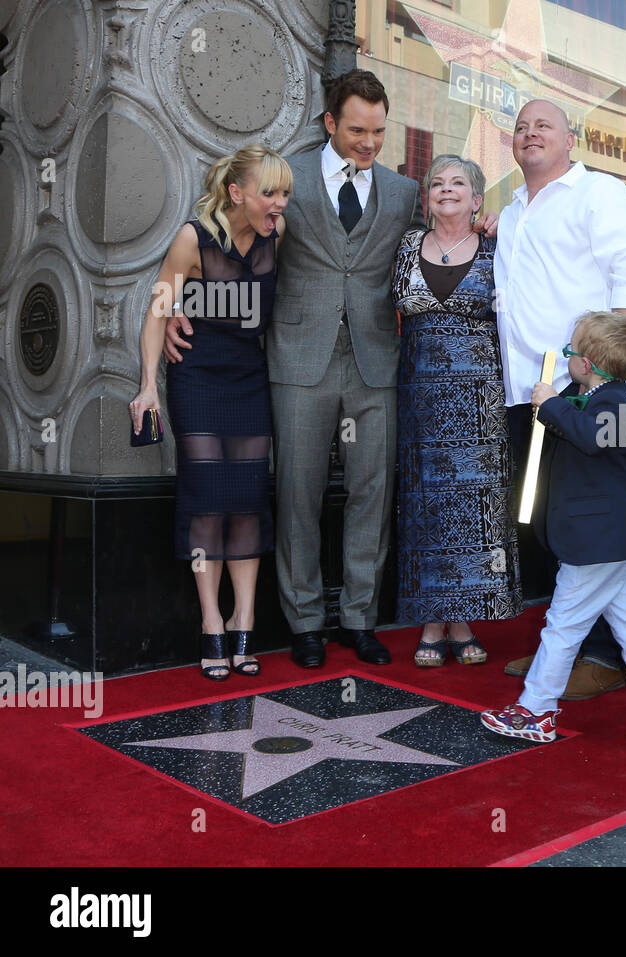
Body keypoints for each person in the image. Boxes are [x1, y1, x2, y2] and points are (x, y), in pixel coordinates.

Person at [167, 71, 424, 668]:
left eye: (379, 132)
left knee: (370, 494)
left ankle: (360, 618)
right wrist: (184, 307)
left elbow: (429, 251)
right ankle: (305, 621)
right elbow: (224, 240)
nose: (369, 143)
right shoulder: (286, 179)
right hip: (295, 362)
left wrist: (484, 228)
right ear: (330, 123)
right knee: (297, 493)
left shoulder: (404, 191)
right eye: (357, 130)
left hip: (374, 363)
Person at [480, 312, 626, 745]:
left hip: (600, 542)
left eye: (571, 353)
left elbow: (590, 435)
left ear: (586, 363)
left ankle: (536, 709)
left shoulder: (618, 404)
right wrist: (555, 403)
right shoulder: (584, 397)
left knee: (563, 625)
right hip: (605, 540)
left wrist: (551, 405)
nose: (567, 361)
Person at [495, 99, 626, 700]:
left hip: (581, 394)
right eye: (521, 127)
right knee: (548, 525)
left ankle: (604, 656)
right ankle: (563, 647)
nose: (530, 134)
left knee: (586, 525)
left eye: (544, 126)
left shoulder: (601, 194)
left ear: (570, 139)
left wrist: (601, 381)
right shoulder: (511, 211)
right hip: (527, 393)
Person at [131, 145, 292, 679]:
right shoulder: (191, 239)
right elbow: (158, 314)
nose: (279, 204)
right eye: (269, 193)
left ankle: (244, 616)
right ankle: (211, 623)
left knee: (246, 500)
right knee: (206, 501)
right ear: (236, 193)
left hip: (249, 382)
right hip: (197, 381)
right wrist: (147, 385)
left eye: (285, 193)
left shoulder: (277, 236)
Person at [390, 155, 522, 665]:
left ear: (476, 198)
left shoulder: (497, 243)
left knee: (473, 510)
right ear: (427, 199)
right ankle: (431, 620)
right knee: (426, 509)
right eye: (437, 184)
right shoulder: (406, 246)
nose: (446, 190)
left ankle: (463, 619)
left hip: (479, 399)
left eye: (458, 183)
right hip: (420, 396)